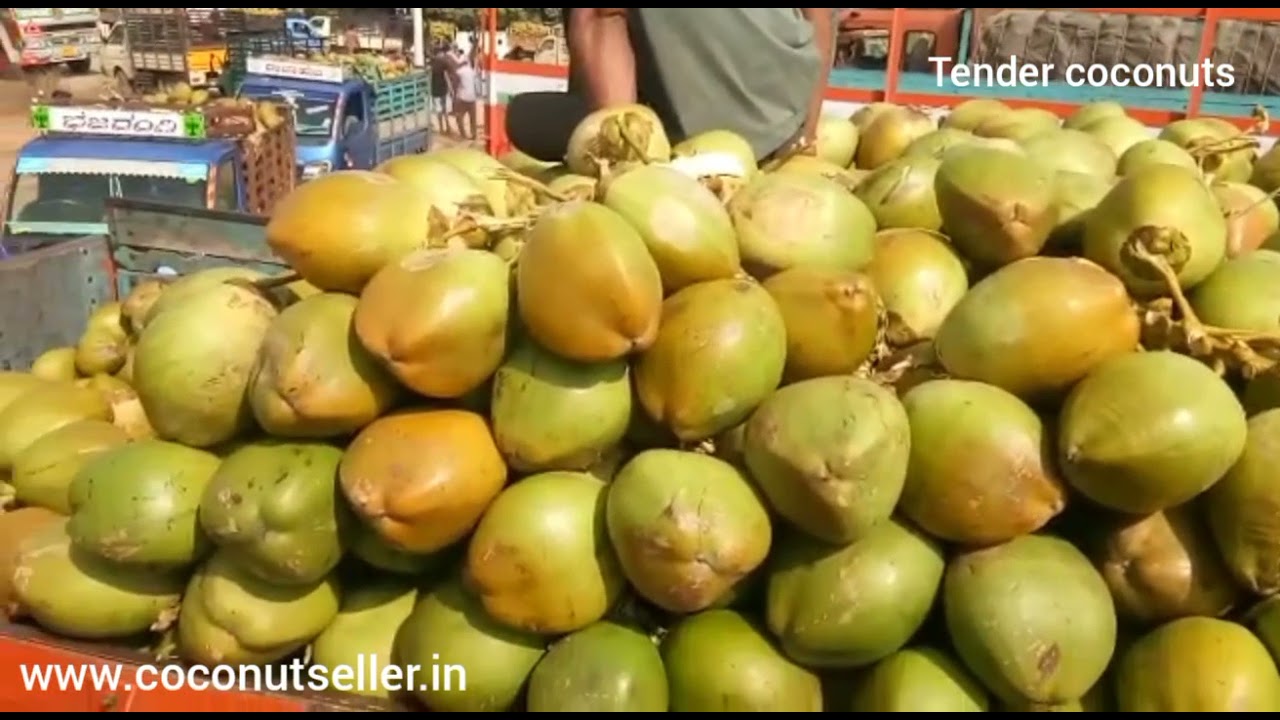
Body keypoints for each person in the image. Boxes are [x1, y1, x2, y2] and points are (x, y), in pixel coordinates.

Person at [507, 9, 835, 164]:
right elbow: (820, 16)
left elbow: (598, 15)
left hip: (700, 145)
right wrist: (807, 130)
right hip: (790, 109)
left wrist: (625, 167)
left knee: (522, 116)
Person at [452, 48, 479, 141]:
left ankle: (463, 134)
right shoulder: (472, 71)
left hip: (463, 98)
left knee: (459, 117)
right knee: (473, 118)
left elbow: (455, 83)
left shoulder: (460, 71)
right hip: (472, 98)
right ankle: (474, 134)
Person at [430, 42, 455, 134]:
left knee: (438, 109)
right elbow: (446, 76)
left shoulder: (432, 62)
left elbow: (429, 76)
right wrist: (451, 89)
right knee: (445, 109)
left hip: (434, 89)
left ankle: (441, 128)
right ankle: (447, 126)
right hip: (443, 88)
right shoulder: (444, 62)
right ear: (440, 53)